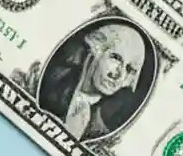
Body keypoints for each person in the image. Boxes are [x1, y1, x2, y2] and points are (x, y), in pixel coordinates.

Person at [12, 21, 147, 140]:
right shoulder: (51, 82)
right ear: (96, 50)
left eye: (129, 69)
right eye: (115, 58)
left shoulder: (100, 127)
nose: (119, 75)